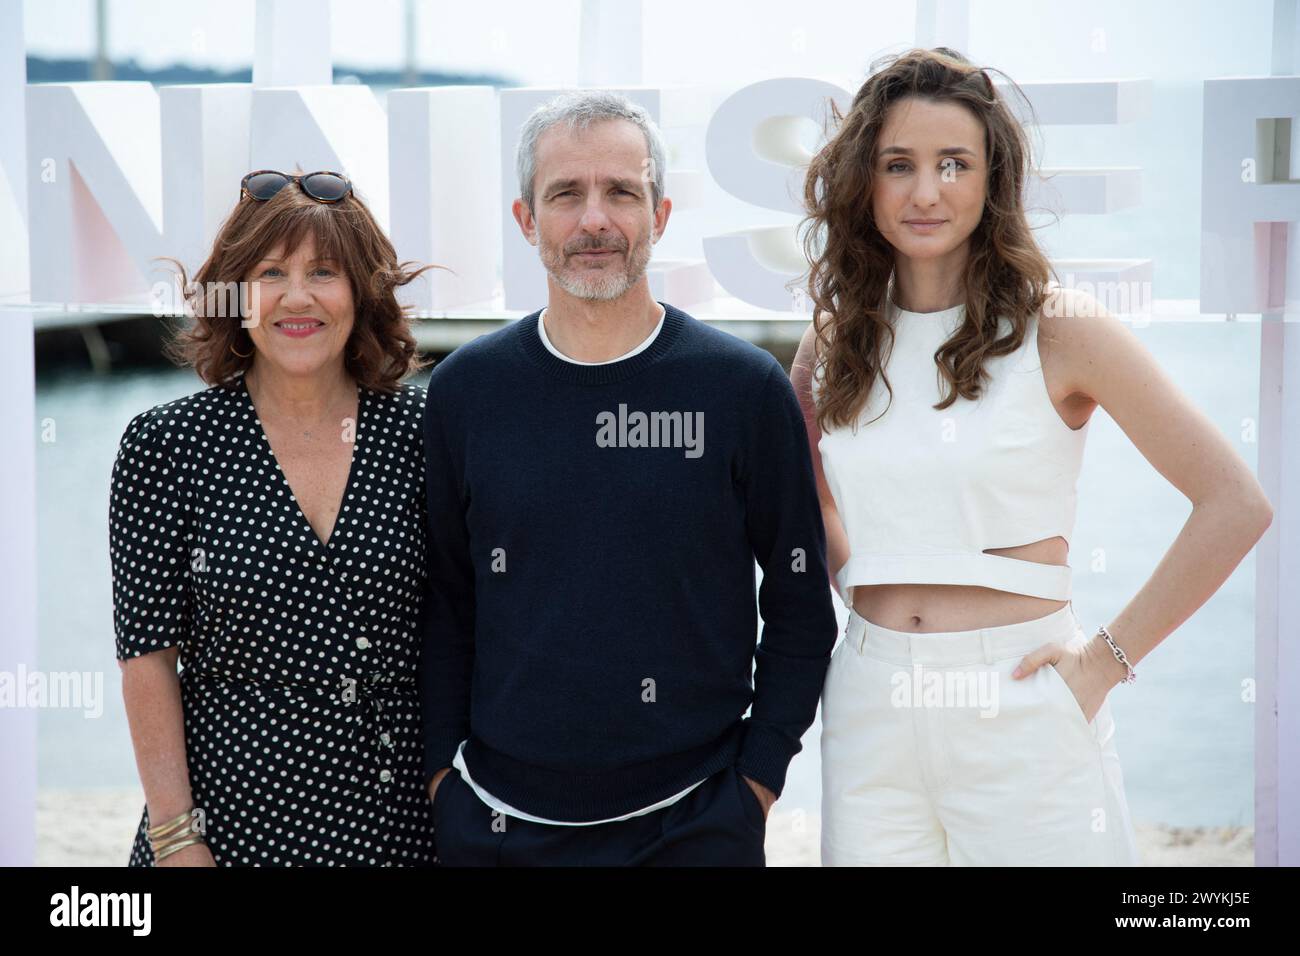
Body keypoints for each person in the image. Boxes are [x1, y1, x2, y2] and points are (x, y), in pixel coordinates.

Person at [793, 48, 1274, 866]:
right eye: (897, 164)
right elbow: (812, 496)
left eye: (954, 164)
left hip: (1021, 701)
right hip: (872, 700)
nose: (926, 191)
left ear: (991, 180)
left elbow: (1235, 503)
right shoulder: (837, 337)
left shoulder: (1061, 327)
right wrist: (865, 583)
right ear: (862, 182)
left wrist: (1102, 663)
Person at [419, 91, 839, 866]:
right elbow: (444, 602)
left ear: (661, 213)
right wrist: (446, 778)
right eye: (565, 194)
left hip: (695, 820)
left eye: (621, 191)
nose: (594, 221)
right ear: (525, 220)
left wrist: (757, 782)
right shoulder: (465, 392)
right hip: (495, 824)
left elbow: (800, 605)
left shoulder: (741, 390)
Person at [112, 171, 437, 866]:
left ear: (361, 292)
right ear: (235, 292)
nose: (297, 297)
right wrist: (176, 838)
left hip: (400, 827)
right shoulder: (167, 445)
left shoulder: (427, 434)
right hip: (226, 829)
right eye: (270, 273)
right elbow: (147, 659)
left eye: (325, 271)